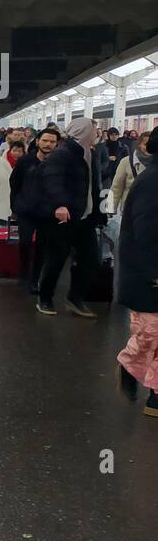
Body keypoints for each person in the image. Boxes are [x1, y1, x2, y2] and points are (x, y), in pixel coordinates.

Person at [35, 116, 103, 318]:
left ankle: (75, 298)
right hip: (64, 218)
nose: (96, 134)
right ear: (83, 132)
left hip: (85, 217)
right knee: (56, 259)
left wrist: (99, 211)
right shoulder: (63, 154)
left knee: (91, 260)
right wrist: (60, 204)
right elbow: (52, 180)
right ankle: (45, 298)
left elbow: (93, 186)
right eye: (94, 130)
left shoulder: (90, 153)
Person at [115, 146, 158, 417]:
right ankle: (129, 364)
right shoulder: (152, 182)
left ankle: (155, 395)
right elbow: (146, 232)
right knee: (151, 334)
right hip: (147, 275)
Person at [12, 127, 59, 293]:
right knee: (24, 242)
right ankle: (24, 271)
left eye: (52, 142)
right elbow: (14, 184)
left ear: (57, 144)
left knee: (42, 246)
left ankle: (34, 278)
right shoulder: (25, 161)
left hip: (47, 212)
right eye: (45, 140)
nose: (48, 144)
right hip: (26, 210)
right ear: (37, 141)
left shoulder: (58, 164)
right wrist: (14, 206)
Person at [110, 129, 150, 213]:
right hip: (130, 208)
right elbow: (116, 186)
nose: (149, 147)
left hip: (151, 209)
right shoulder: (126, 161)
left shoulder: (155, 162)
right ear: (139, 145)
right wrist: (111, 208)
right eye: (146, 144)